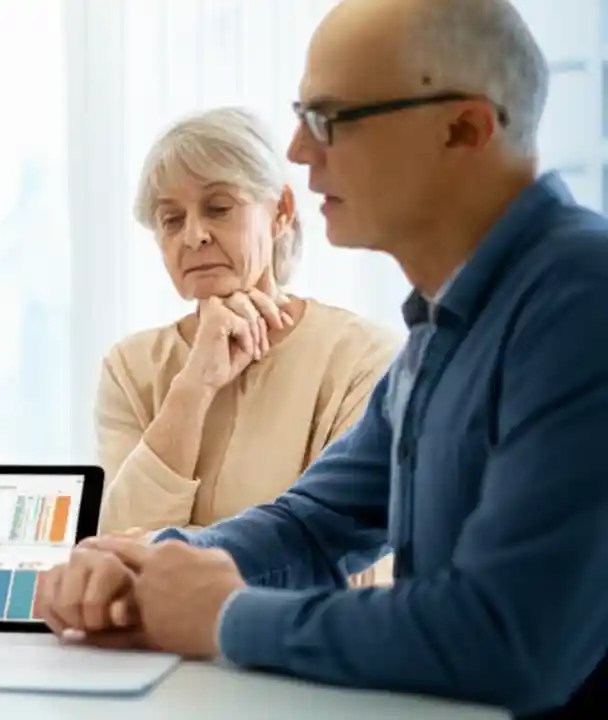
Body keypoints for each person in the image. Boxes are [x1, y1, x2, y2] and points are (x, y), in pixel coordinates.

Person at [36, 0, 607, 716]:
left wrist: (223, 614)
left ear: (463, 127)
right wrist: (148, 564)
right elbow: (312, 523)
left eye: (331, 118)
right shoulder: (442, 328)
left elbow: (511, 636)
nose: (301, 154)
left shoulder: (582, 300)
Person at [96, 108, 399, 585]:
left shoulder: (363, 357)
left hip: (294, 654)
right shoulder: (129, 366)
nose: (193, 234)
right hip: (151, 651)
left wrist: (176, 553)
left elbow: (348, 565)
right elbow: (115, 549)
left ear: (280, 211)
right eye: (171, 219)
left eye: (219, 208)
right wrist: (194, 385)